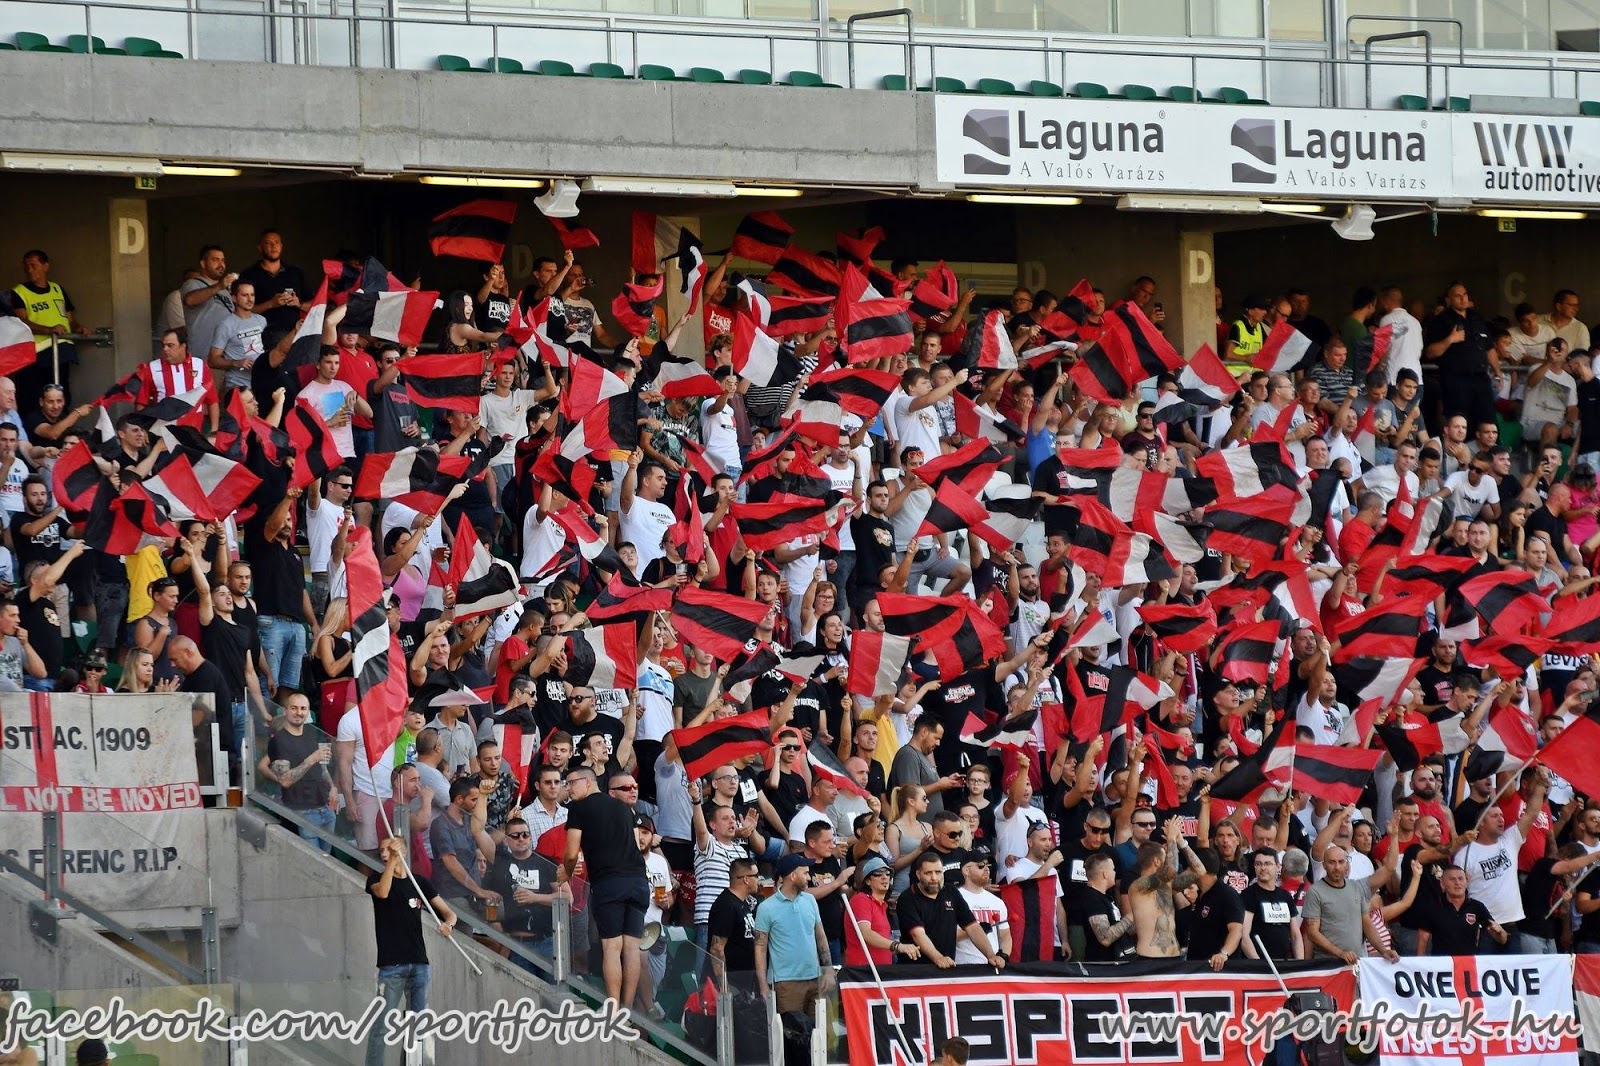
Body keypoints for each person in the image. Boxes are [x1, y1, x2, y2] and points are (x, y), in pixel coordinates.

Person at [559, 765, 648, 1008]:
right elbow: (636, 845)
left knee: (611, 946)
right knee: (631, 947)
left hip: (609, 882)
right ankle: (627, 1011)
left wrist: (565, 874)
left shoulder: (578, 808)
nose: (567, 789)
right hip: (639, 881)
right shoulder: (624, 808)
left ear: (588, 782)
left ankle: (613, 1009)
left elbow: (570, 851)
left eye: (571, 783)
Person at [365, 834, 455, 1066]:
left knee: (418, 1025)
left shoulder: (418, 882)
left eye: (390, 849)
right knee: (381, 1025)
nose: (384, 853)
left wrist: (449, 925)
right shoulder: (376, 878)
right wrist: (392, 863)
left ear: (403, 852)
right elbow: (383, 892)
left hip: (419, 963)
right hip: (391, 965)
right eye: (383, 851)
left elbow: (448, 913)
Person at [896, 852, 1006, 970]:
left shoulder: (951, 892)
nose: (934, 878)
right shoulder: (907, 898)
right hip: (915, 970)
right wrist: (938, 958)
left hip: (947, 968)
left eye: (938, 872)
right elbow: (918, 934)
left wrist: (990, 955)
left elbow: (972, 926)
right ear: (918, 874)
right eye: (928, 873)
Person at [754, 853, 831, 1016]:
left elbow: (821, 937)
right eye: (805, 873)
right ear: (793, 876)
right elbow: (760, 948)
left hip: (815, 978)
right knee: (792, 1035)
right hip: (786, 983)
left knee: (820, 1033)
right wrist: (763, 985)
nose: (809, 878)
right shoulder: (766, 908)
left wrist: (828, 970)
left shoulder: (810, 900)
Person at [260, 692, 336, 852]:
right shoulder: (279, 741)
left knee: (327, 861)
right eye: (294, 708)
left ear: (308, 711)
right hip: (303, 812)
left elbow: (321, 768)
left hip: (325, 808)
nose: (299, 712)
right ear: (285, 711)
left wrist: (332, 787)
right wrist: (311, 759)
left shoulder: (311, 733)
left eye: (303, 708)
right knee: (314, 865)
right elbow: (285, 780)